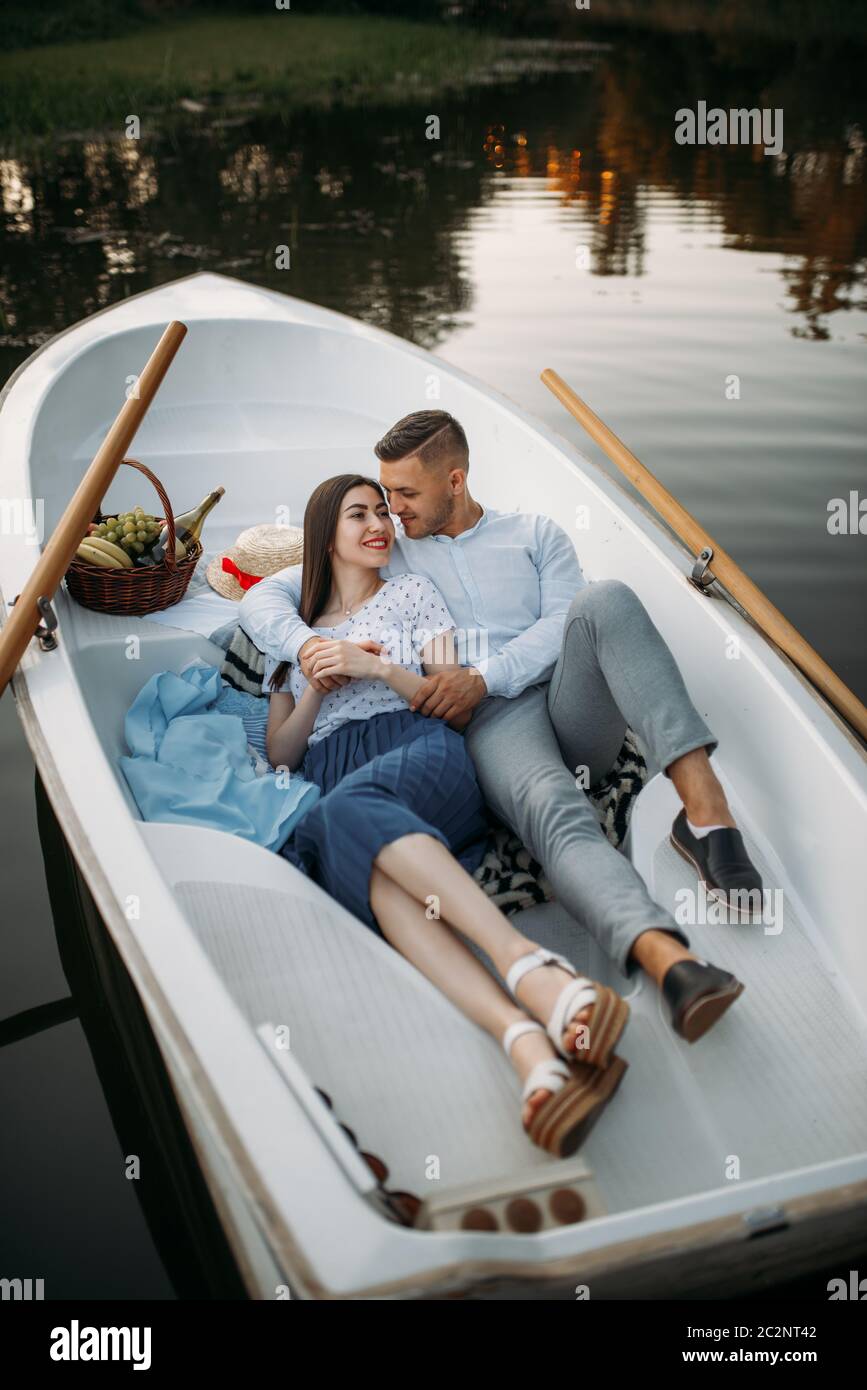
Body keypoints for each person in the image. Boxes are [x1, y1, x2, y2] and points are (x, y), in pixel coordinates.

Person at [242, 413, 762, 1045]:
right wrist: (307, 652)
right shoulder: (393, 548)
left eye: (403, 495)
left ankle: (706, 817)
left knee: (606, 599)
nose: (390, 511)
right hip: (493, 723)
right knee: (552, 806)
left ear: (454, 481)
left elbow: (561, 623)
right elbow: (264, 599)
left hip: (564, 697)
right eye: (380, 499)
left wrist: (484, 676)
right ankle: (668, 959)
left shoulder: (534, 534)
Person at [265, 472, 631, 1158]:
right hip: (336, 774)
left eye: (383, 511)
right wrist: (317, 682)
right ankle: (526, 1044)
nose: (379, 524)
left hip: (420, 748)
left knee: (345, 816)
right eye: (359, 515)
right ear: (325, 535)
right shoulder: (296, 642)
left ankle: (532, 972)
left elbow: (445, 693)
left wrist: (375, 671)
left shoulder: (410, 593)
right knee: (353, 847)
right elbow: (282, 754)